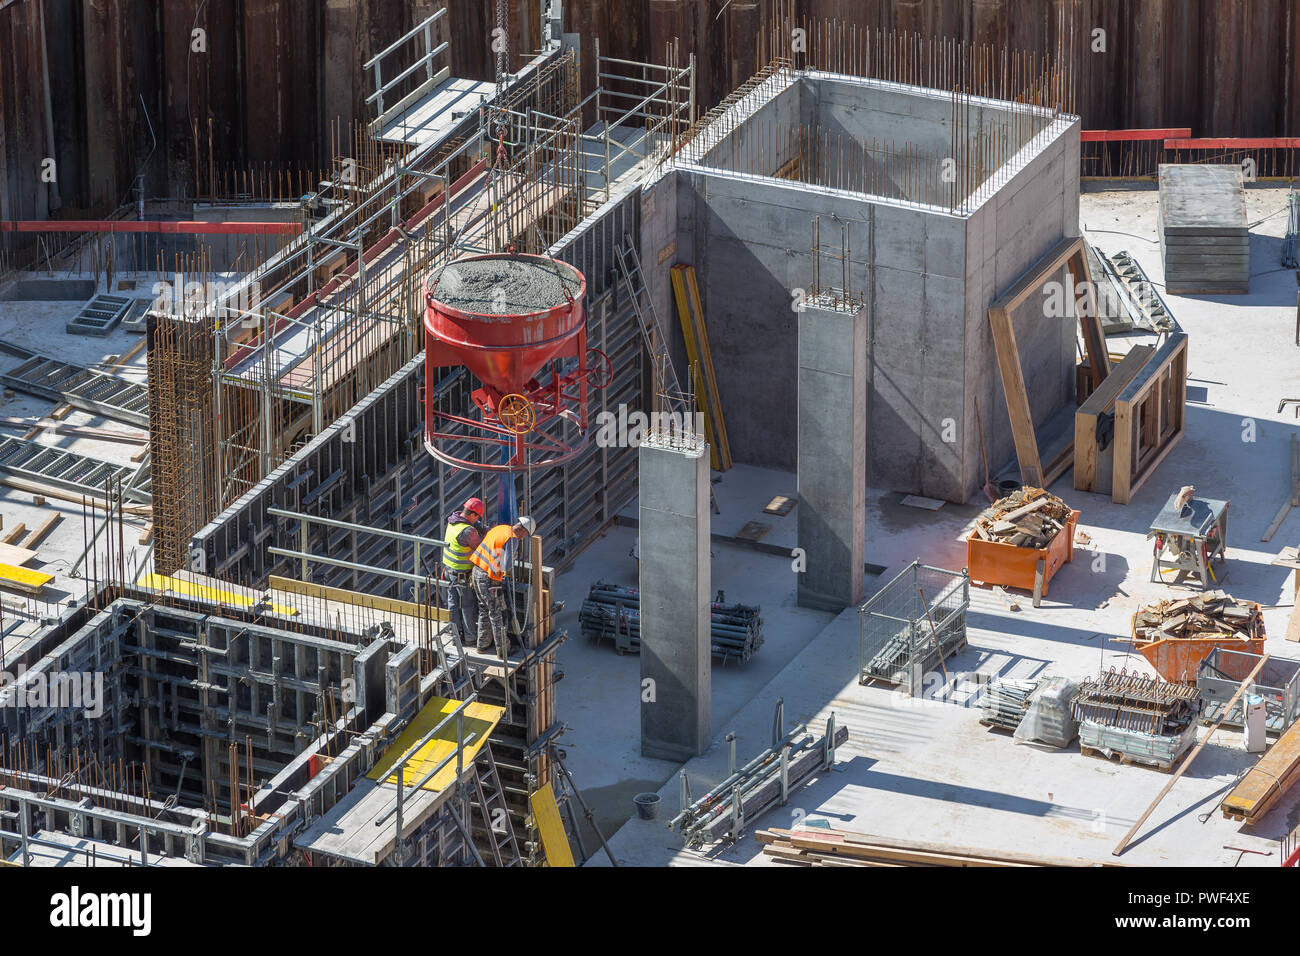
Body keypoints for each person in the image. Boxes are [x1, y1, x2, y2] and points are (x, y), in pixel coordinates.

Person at [470, 515, 535, 655]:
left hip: (476, 572)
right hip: (489, 580)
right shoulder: (513, 540)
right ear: (523, 531)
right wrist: (514, 556)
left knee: (484, 609)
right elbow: (506, 566)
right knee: (497, 613)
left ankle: (482, 645)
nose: (524, 538)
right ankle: (504, 650)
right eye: (526, 535)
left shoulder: (500, 529)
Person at [441, 497, 487, 648]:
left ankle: (455, 636)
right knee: (467, 606)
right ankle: (470, 639)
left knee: (453, 603)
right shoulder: (468, 531)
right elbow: (481, 549)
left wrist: (481, 526)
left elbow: (474, 526)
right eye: (477, 517)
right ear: (473, 514)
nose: (477, 520)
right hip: (461, 575)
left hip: (448, 570)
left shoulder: (453, 520)